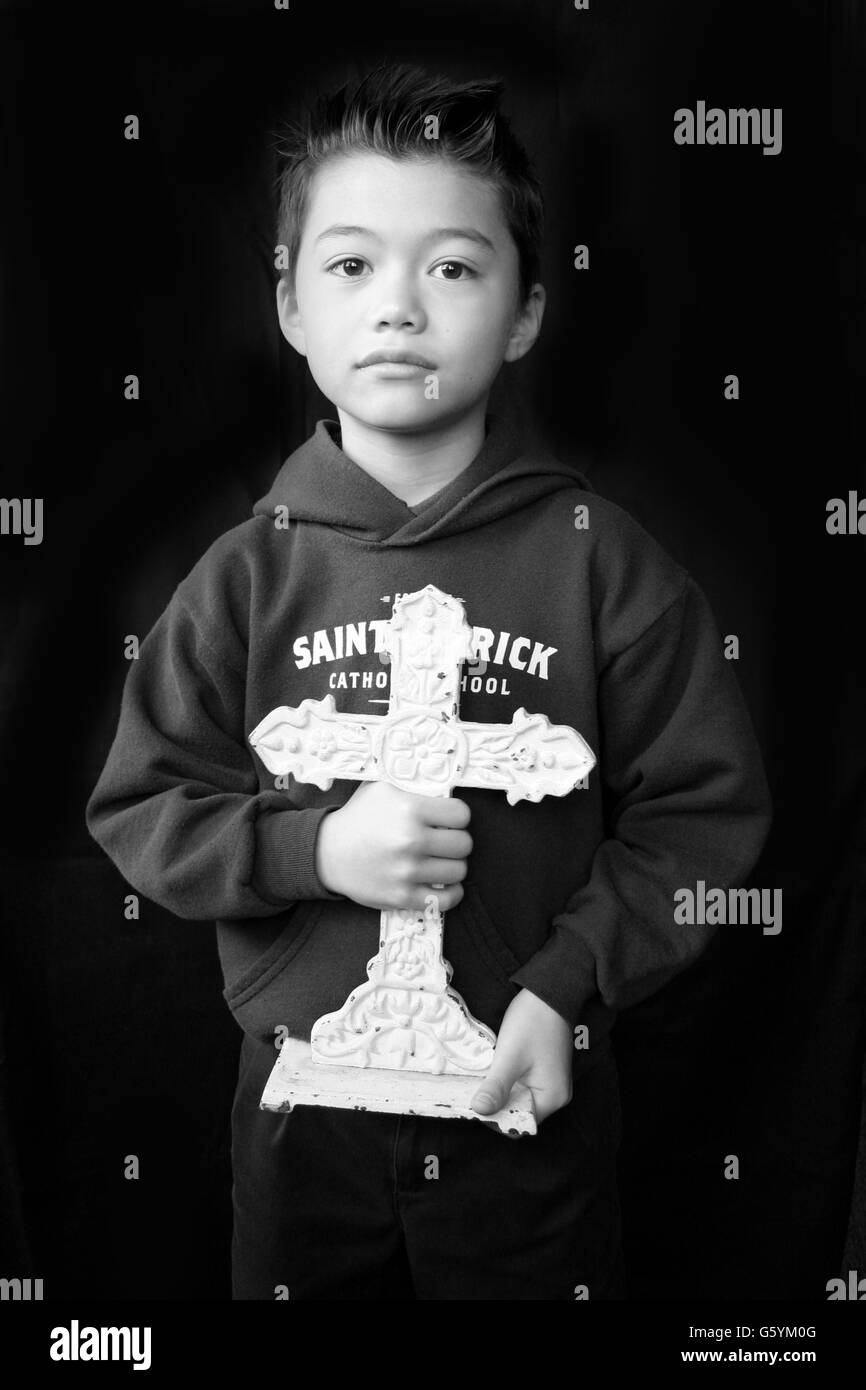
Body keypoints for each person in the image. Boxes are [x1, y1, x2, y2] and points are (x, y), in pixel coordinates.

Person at [85, 61, 772, 1300]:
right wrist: (312, 853)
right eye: (351, 266)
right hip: (303, 1105)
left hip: (524, 1086)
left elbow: (703, 818)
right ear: (289, 305)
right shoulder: (245, 577)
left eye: (450, 267)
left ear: (523, 313)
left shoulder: (600, 565)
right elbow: (139, 806)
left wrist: (564, 991)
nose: (397, 305)